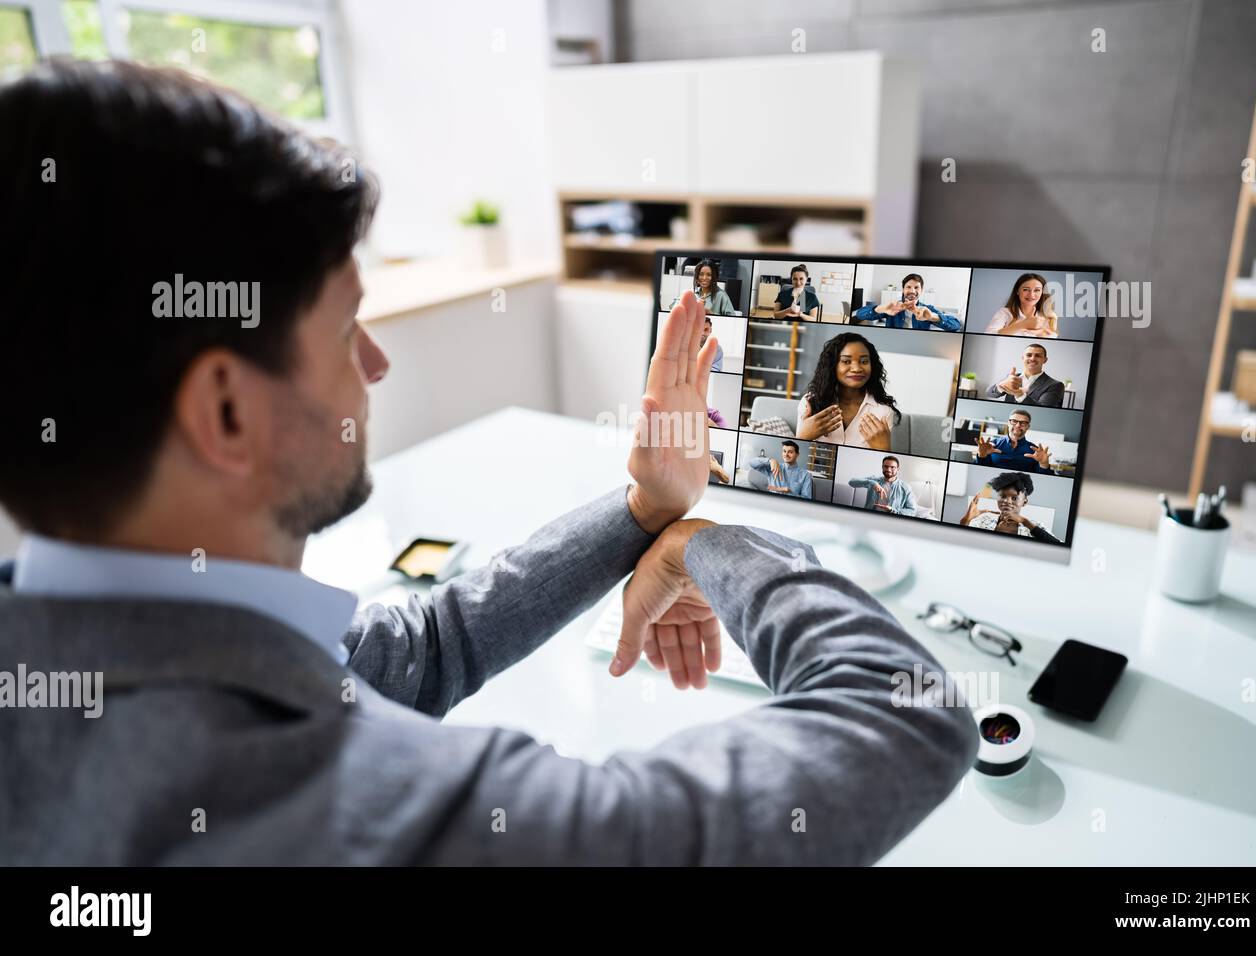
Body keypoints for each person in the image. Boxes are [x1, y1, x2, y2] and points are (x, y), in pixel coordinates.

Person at [0, 60, 976, 866]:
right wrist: (710, 546)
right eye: (344, 331)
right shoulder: (392, 814)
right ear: (225, 410)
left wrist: (647, 510)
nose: (374, 365)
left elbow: (419, 649)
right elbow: (903, 712)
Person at [796, 332, 900, 449]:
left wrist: (883, 448)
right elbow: (796, 451)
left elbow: (883, 458)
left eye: (864, 361)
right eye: (846, 361)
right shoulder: (810, 403)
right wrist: (803, 436)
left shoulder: (883, 411)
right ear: (832, 365)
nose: (856, 369)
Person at [958, 472, 1061, 543]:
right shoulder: (983, 521)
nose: (1007, 501)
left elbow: (1059, 546)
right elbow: (962, 541)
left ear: (1024, 502)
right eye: (1003, 496)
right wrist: (966, 520)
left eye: (1014, 498)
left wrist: (1025, 522)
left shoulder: (1034, 526)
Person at [851, 273, 961, 331]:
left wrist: (932, 317)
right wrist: (881, 308)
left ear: (921, 290)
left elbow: (956, 325)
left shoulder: (927, 309)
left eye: (916, 287)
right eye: (908, 287)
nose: (912, 291)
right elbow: (860, 314)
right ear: (903, 289)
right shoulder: (893, 307)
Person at [984, 343, 1064, 407]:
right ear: (1023, 358)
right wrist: (1001, 386)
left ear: (1045, 360)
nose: (1032, 358)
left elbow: (1044, 409)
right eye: (1029, 355)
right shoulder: (1012, 377)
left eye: (1038, 356)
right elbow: (989, 393)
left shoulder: (1056, 385)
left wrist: (1020, 395)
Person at [973, 410, 1052, 474]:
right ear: (1008, 423)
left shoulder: (1036, 451)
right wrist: (981, 456)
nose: (1018, 425)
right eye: (1014, 421)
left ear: (1028, 426)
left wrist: (1044, 464)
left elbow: (1041, 477)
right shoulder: (991, 445)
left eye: (1023, 423)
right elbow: (980, 471)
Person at [985, 273, 1058, 337]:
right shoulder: (1004, 313)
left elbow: (1052, 342)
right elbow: (988, 336)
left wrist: (1041, 333)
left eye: (1037, 290)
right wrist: (1022, 324)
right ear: (1017, 291)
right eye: (1026, 289)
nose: (1031, 295)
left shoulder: (1047, 316)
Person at [847, 456, 917, 515]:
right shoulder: (874, 480)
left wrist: (892, 510)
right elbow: (851, 482)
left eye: (892, 467)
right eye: (886, 466)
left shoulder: (906, 487)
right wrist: (872, 483)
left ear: (898, 469)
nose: (888, 470)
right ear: (882, 467)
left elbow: (912, 511)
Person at [749, 441, 813, 499]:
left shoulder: (806, 475)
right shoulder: (773, 467)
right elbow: (752, 463)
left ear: (797, 454)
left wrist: (789, 493)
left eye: (790, 452)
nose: (786, 454)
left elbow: (807, 499)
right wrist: (770, 460)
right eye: (784, 451)